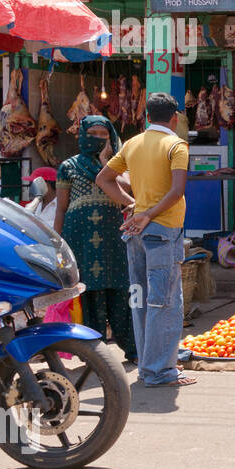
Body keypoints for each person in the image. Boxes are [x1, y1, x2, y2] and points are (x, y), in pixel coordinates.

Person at [97, 93, 195, 388]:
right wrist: (148, 213)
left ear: (147, 117)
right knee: (164, 302)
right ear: (174, 118)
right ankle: (159, 372)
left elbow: (104, 179)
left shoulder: (132, 143)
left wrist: (133, 208)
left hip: (137, 232)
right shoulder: (177, 145)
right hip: (162, 232)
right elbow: (177, 191)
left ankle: (148, 365)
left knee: (140, 301)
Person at [55, 116, 137, 364]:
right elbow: (61, 208)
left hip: (113, 238)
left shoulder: (119, 165)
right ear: (81, 134)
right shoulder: (68, 166)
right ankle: (95, 354)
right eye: (92, 133)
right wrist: (57, 244)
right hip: (80, 238)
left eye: (103, 134)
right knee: (89, 294)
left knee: (121, 290)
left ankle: (133, 350)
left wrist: (105, 162)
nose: (98, 139)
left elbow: (128, 191)